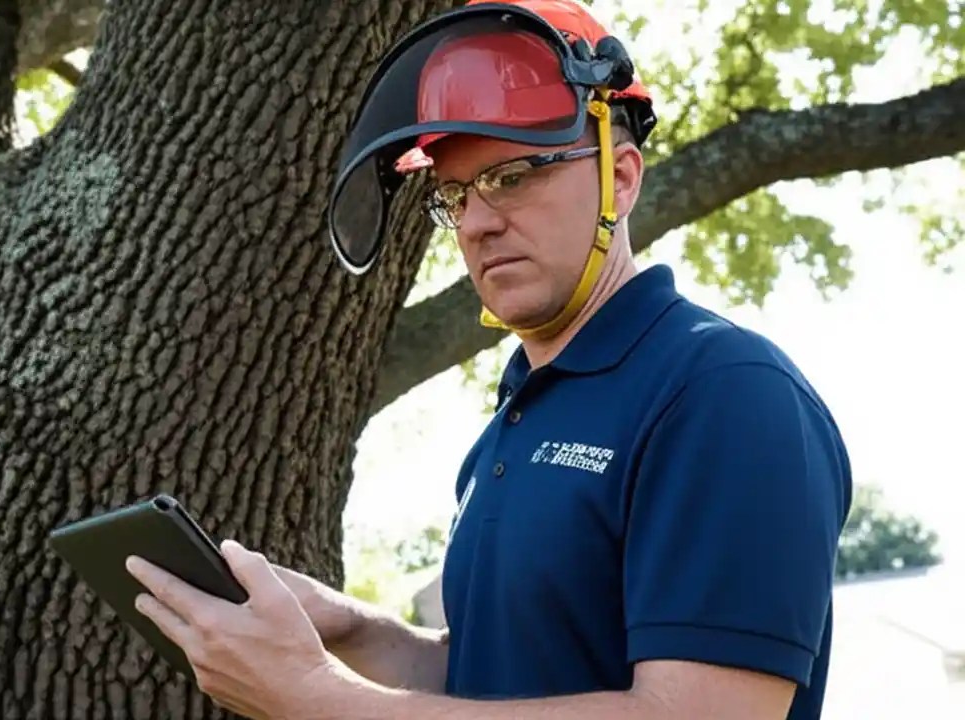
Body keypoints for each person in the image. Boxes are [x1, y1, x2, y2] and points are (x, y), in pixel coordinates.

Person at [126, 1, 853, 718]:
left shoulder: (722, 392)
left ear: (621, 177)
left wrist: (317, 701)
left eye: (511, 176)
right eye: (452, 195)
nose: (476, 221)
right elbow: (495, 675)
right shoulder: (510, 424)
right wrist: (346, 626)